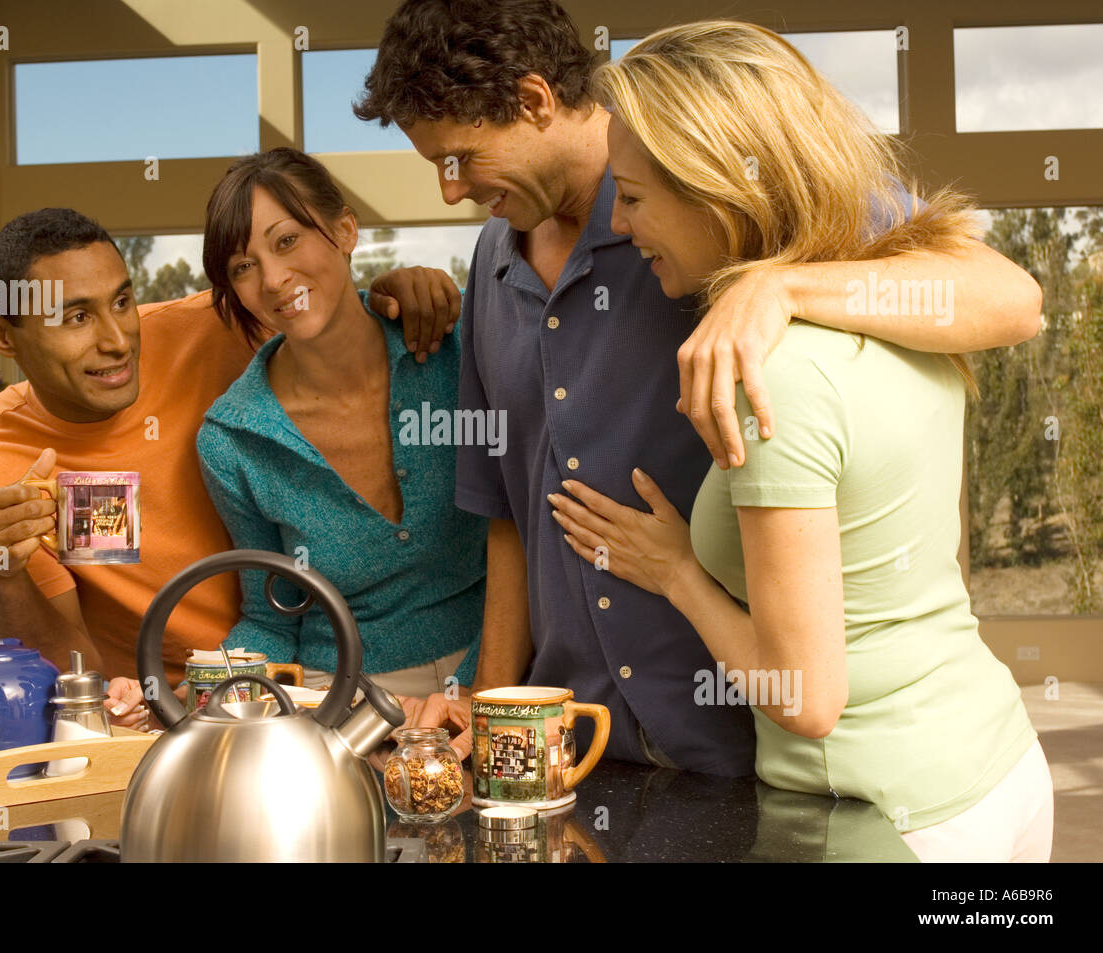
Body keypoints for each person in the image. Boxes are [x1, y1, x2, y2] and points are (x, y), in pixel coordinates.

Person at [354, 0, 1043, 768]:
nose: (449, 191)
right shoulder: (492, 261)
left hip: (741, 748)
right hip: (577, 745)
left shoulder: (707, 193)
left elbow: (1008, 297)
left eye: (460, 159)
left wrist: (782, 288)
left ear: (533, 101)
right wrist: (491, 708)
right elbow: (507, 516)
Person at [549, 20, 1050, 861]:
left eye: (632, 198)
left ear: (714, 188)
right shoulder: (895, 303)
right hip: (997, 771)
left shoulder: (772, 374)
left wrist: (677, 571)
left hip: (888, 817)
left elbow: (809, 697)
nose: (622, 227)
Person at [0, 208, 462, 719]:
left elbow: (322, 314)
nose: (118, 342)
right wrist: (3, 575)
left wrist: (395, 293)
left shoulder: (210, 330)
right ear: (3, 334)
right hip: (163, 708)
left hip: (299, 672)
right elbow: (71, 671)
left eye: (122, 302)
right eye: (76, 317)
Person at [196, 148, 486, 698]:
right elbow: (272, 614)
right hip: (339, 698)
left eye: (286, 241)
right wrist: (211, 693)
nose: (275, 279)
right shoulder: (232, 441)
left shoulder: (454, 345)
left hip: (499, 674)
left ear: (345, 230)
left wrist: (478, 686)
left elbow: (524, 537)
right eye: (243, 267)